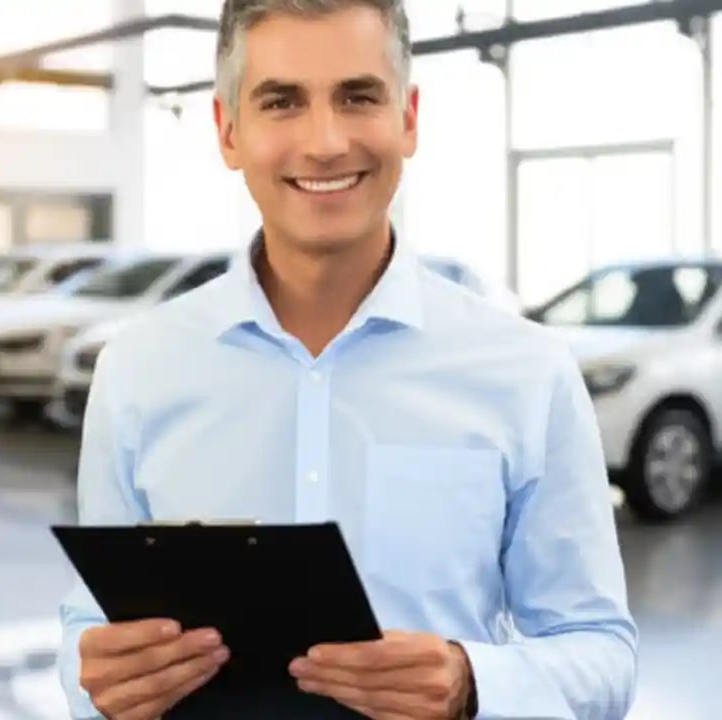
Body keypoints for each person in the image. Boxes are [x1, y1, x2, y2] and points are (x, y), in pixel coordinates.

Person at [58, 1, 638, 718]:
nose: (326, 142)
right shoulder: (138, 370)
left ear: (409, 118)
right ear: (228, 130)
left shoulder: (529, 373)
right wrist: (96, 684)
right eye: (282, 102)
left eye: (358, 97)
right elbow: (90, 627)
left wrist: (472, 684)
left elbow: (601, 652)